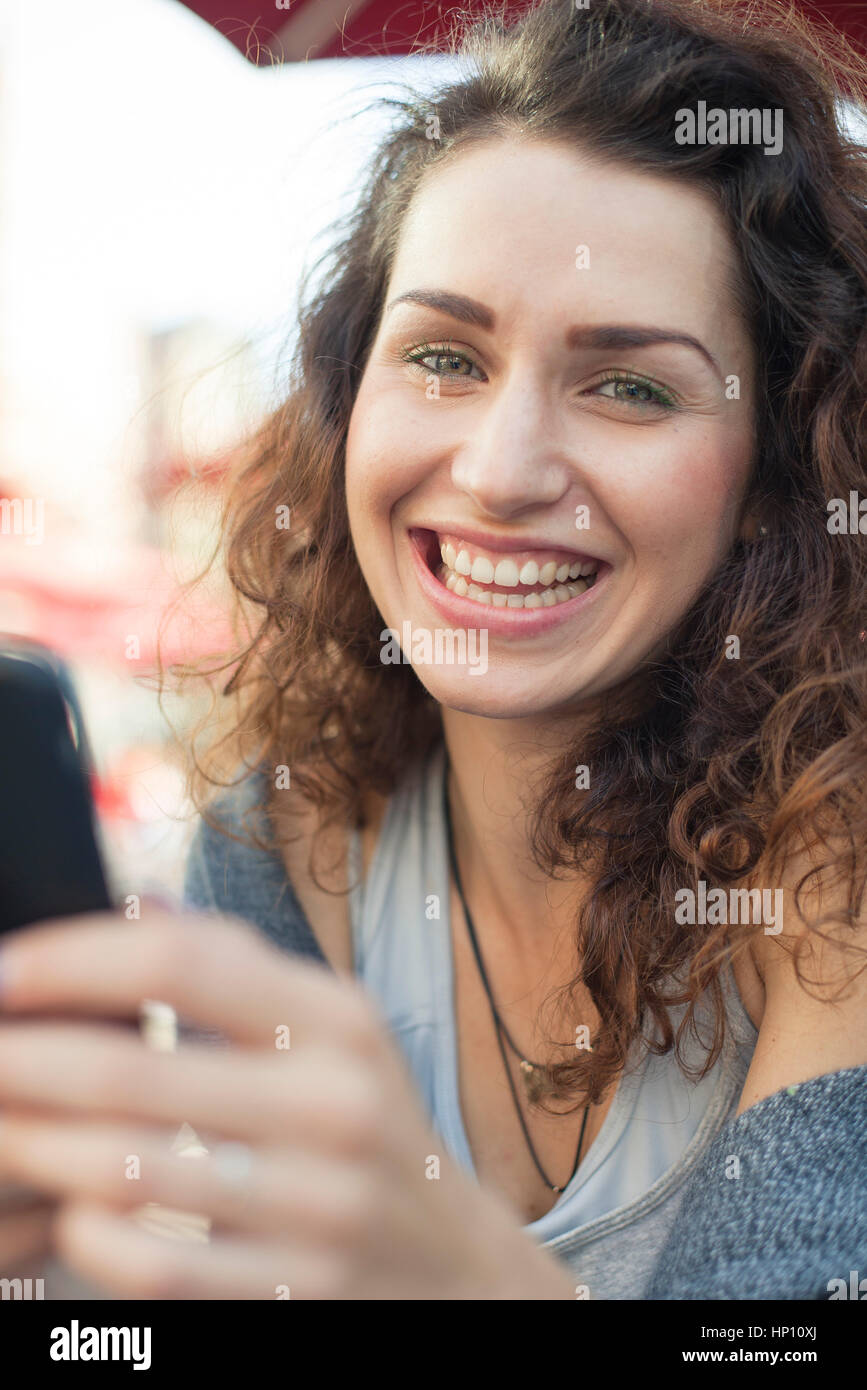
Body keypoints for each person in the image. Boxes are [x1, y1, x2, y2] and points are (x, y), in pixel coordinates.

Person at [0, 0, 865, 1300]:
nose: (500, 470)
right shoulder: (276, 840)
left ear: (773, 475)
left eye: (629, 384)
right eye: (446, 357)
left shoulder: (836, 878)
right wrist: (73, 1273)